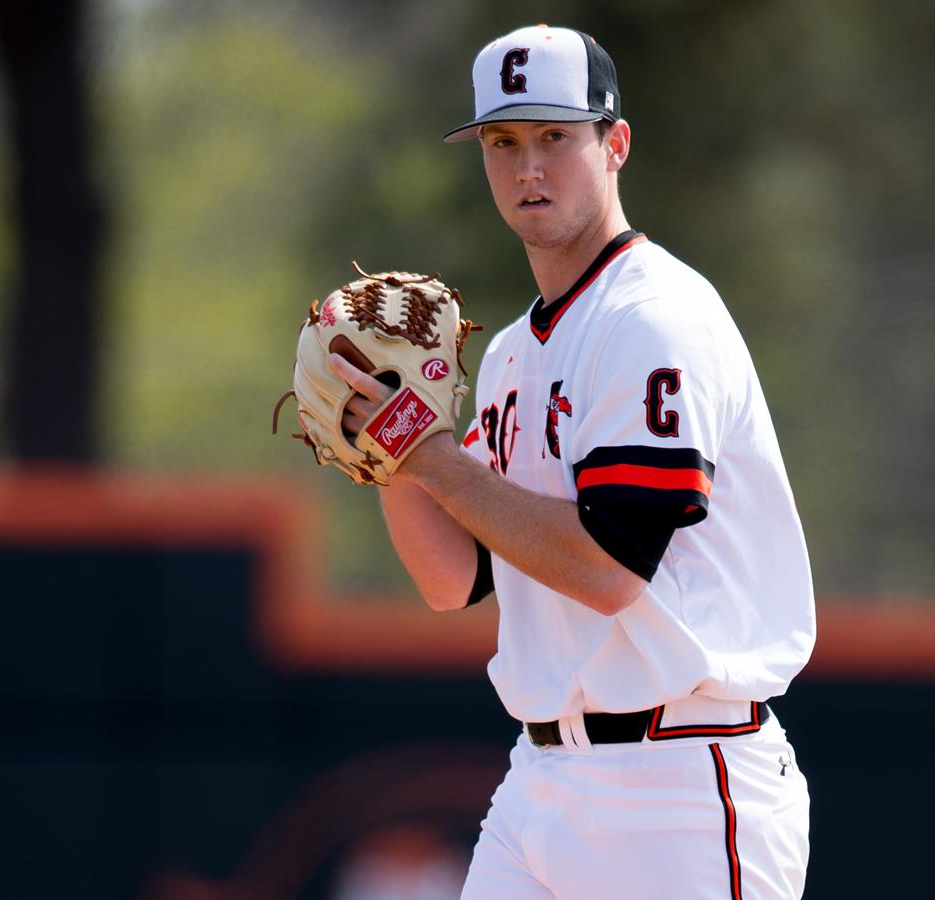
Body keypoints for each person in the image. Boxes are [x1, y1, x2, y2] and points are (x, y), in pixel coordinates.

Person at [326, 23, 816, 900]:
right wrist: (386, 455)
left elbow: (606, 566)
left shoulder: (655, 317)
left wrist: (430, 456)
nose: (529, 168)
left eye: (557, 135)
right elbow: (454, 580)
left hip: (683, 787)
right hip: (542, 783)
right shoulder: (514, 351)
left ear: (614, 143)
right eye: (504, 142)